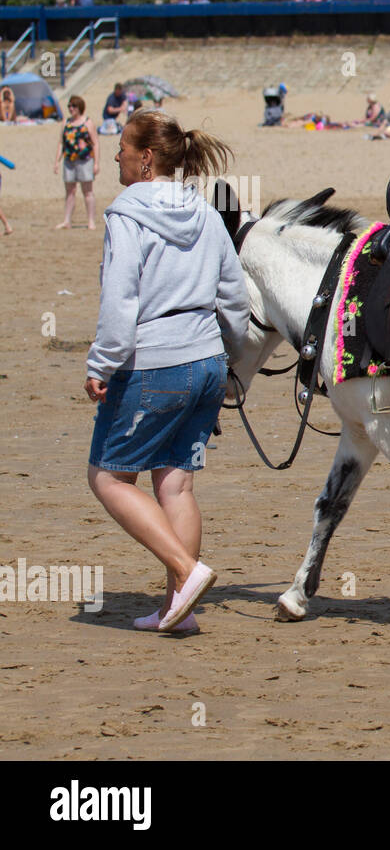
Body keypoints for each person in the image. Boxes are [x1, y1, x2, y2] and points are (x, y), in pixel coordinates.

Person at [85, 109, 248, 634]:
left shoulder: (125, 214)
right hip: (206, 358)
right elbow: (234, 296)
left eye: (123, 147)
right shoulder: (203, 211)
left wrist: (100, 364)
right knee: (175, 487)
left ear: (146, 158)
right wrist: (230, 363)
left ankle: (186, 570)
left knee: (108, 477)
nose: (116, 155)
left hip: (154, 361)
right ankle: (180, 608)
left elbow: (119, 304)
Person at [54, 95, 99, 229]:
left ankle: (91, 221)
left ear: (79, 107)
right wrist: (57, 161)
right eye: (69, 106)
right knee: (70, 191)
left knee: (87, 191)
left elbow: (95, 143)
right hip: (69, 160)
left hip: (85, 160)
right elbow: (61, 144)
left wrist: (96, 163)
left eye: (73, 106)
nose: (70, 108)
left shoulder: (87, 123)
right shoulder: (66, 122)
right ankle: (67, 220)